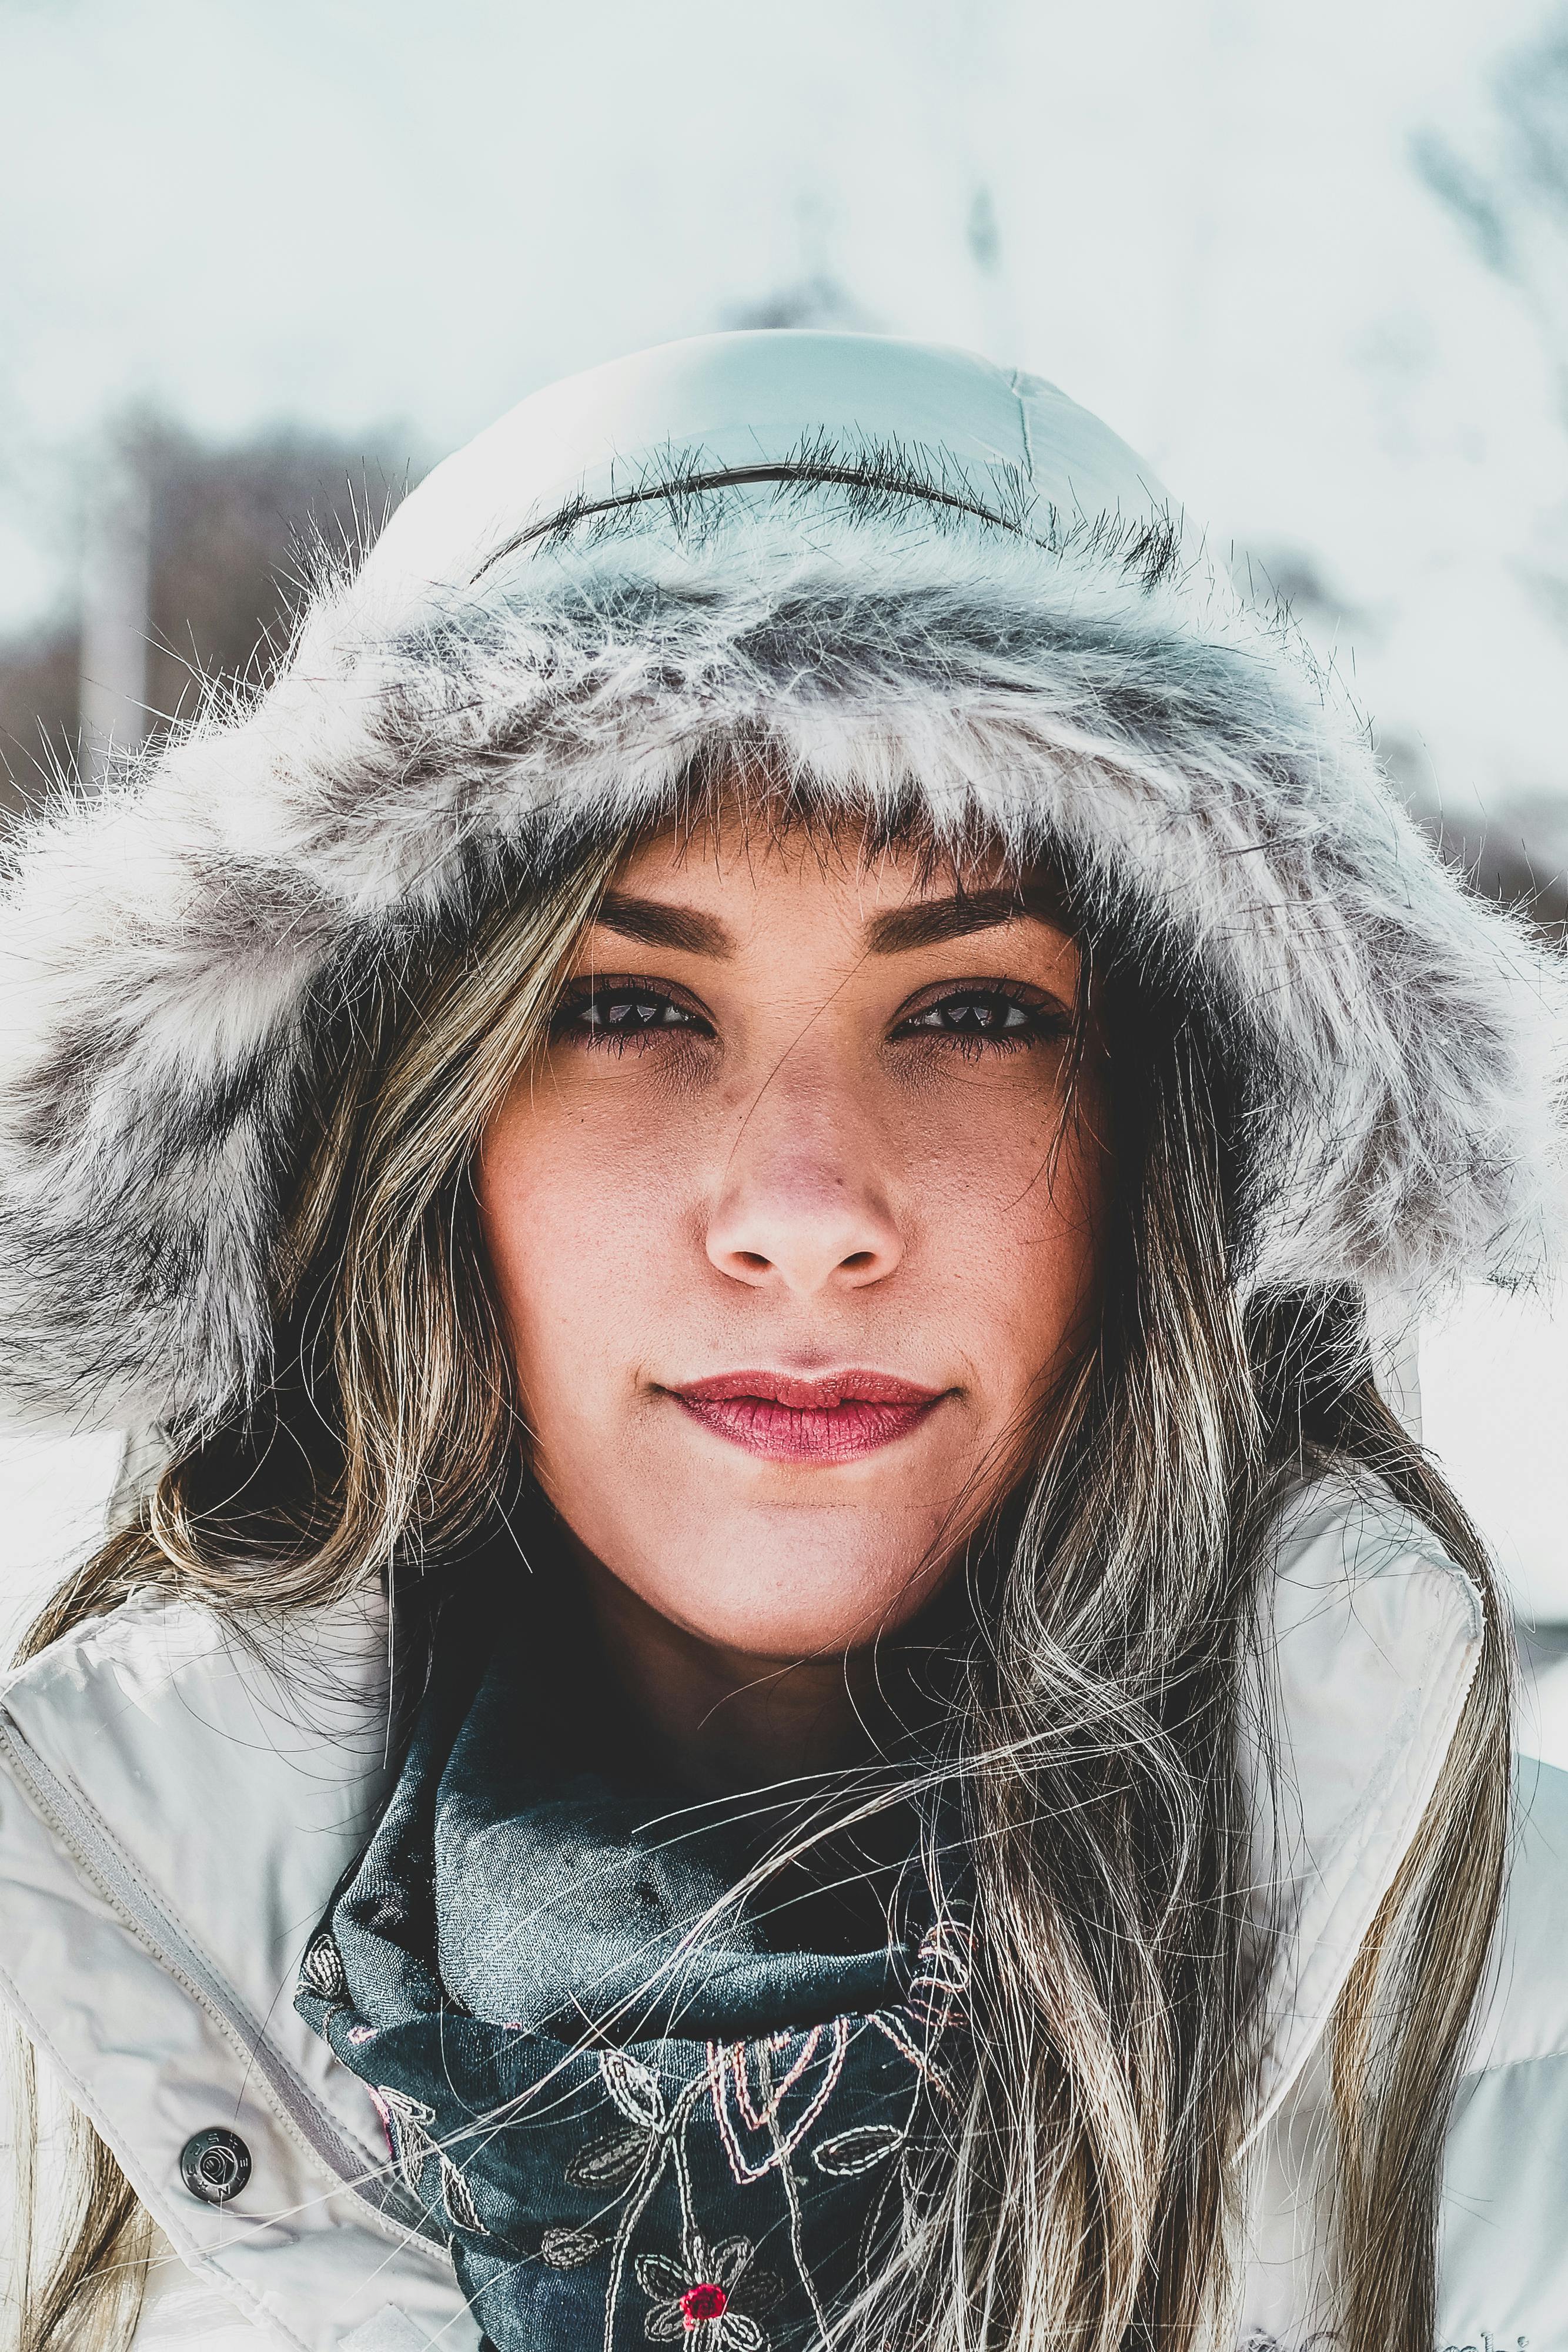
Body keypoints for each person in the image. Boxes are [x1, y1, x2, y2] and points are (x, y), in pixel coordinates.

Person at [1, 332, 1564, 2352]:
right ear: (409, 1128)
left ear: (1193, 1143)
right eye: (626, 1007)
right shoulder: (55, 2065)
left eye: (980, 1012)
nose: (807, 1207)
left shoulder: (1516, 2085)